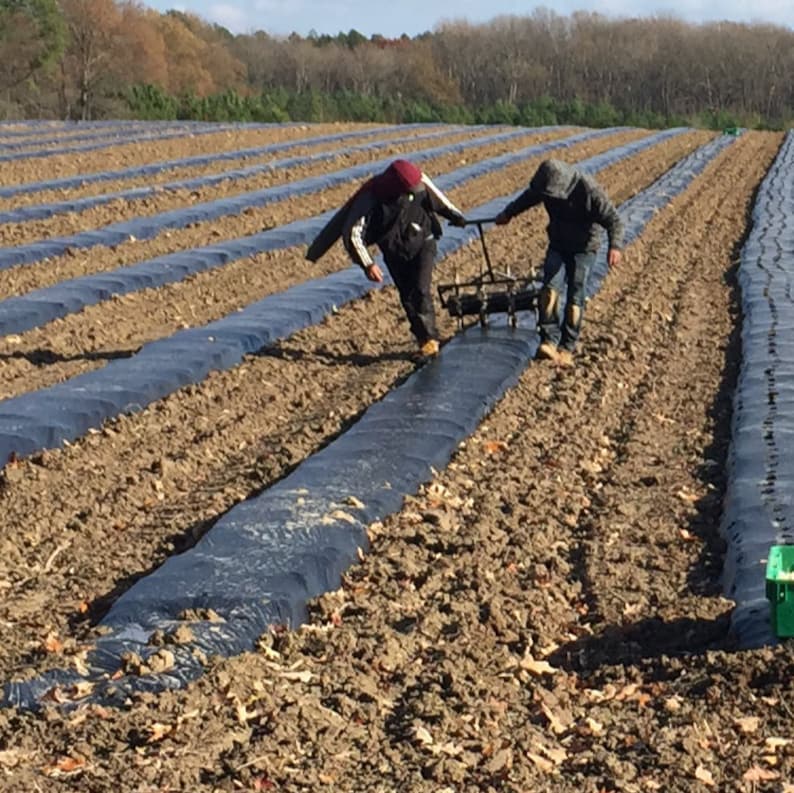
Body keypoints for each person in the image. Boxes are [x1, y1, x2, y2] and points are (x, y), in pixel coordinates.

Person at [306, 159, 466, 357]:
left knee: (420, 289)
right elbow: (352, 234)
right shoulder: (370, 199)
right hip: (394, 249)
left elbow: (439, 201)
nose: (416, 190)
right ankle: (423, 338)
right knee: (407, 295)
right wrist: (368, 264)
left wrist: (456, 217)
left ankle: (431, 339)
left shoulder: (418, 180)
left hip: (423, 240)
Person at [495, 158, 624, 366]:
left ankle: (567, 346)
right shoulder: (546, 186)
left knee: (575, 298)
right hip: (558, 243)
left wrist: (615, 246)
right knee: (549, 291)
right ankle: (549, 340)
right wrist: (508, 213)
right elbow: (528, 198)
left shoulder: (588, 190)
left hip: (584, 248)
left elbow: (613, 219)